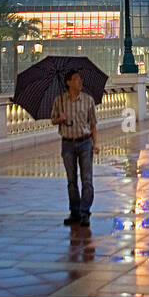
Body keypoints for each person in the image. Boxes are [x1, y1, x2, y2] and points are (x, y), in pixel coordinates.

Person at [50, 68, 98, 227]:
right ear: (68, 82)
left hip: (85, 142)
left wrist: (95, 143)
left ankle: (85, 212)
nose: (80, 82)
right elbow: (53, 120)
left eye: (80, 79)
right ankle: (75, 211)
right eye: (76, 79)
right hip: (68, 143)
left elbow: (93, 124)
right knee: (71, 180)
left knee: (87, 179)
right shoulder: (60, 101)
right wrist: (60, 119)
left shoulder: (88, 100)